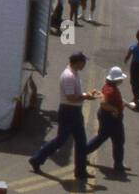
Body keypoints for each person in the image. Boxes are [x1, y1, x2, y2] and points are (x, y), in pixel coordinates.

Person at [29, 51, 99, 182]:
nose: (84, 64)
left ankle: (80, 170)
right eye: (83, 62)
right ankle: (37, 159)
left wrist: (86, 94)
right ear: (77, 62)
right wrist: (86, 96)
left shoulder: (74, 74)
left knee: (81, 142)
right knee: (61, 141)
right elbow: (70, 97)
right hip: (69, 112)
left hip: (75, 111)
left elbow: (75, 94)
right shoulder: (68, 76)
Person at [85, 66, 128, 175]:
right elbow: (104, 103)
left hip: (109, 118)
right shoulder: (111, 90)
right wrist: (115, 109)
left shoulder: (108, 87)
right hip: (111, 119)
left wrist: (123, 103)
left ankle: (118, 163)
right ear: (117, 80)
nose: (122, 80)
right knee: (115, 139)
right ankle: (83, 153)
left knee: (112, 139)